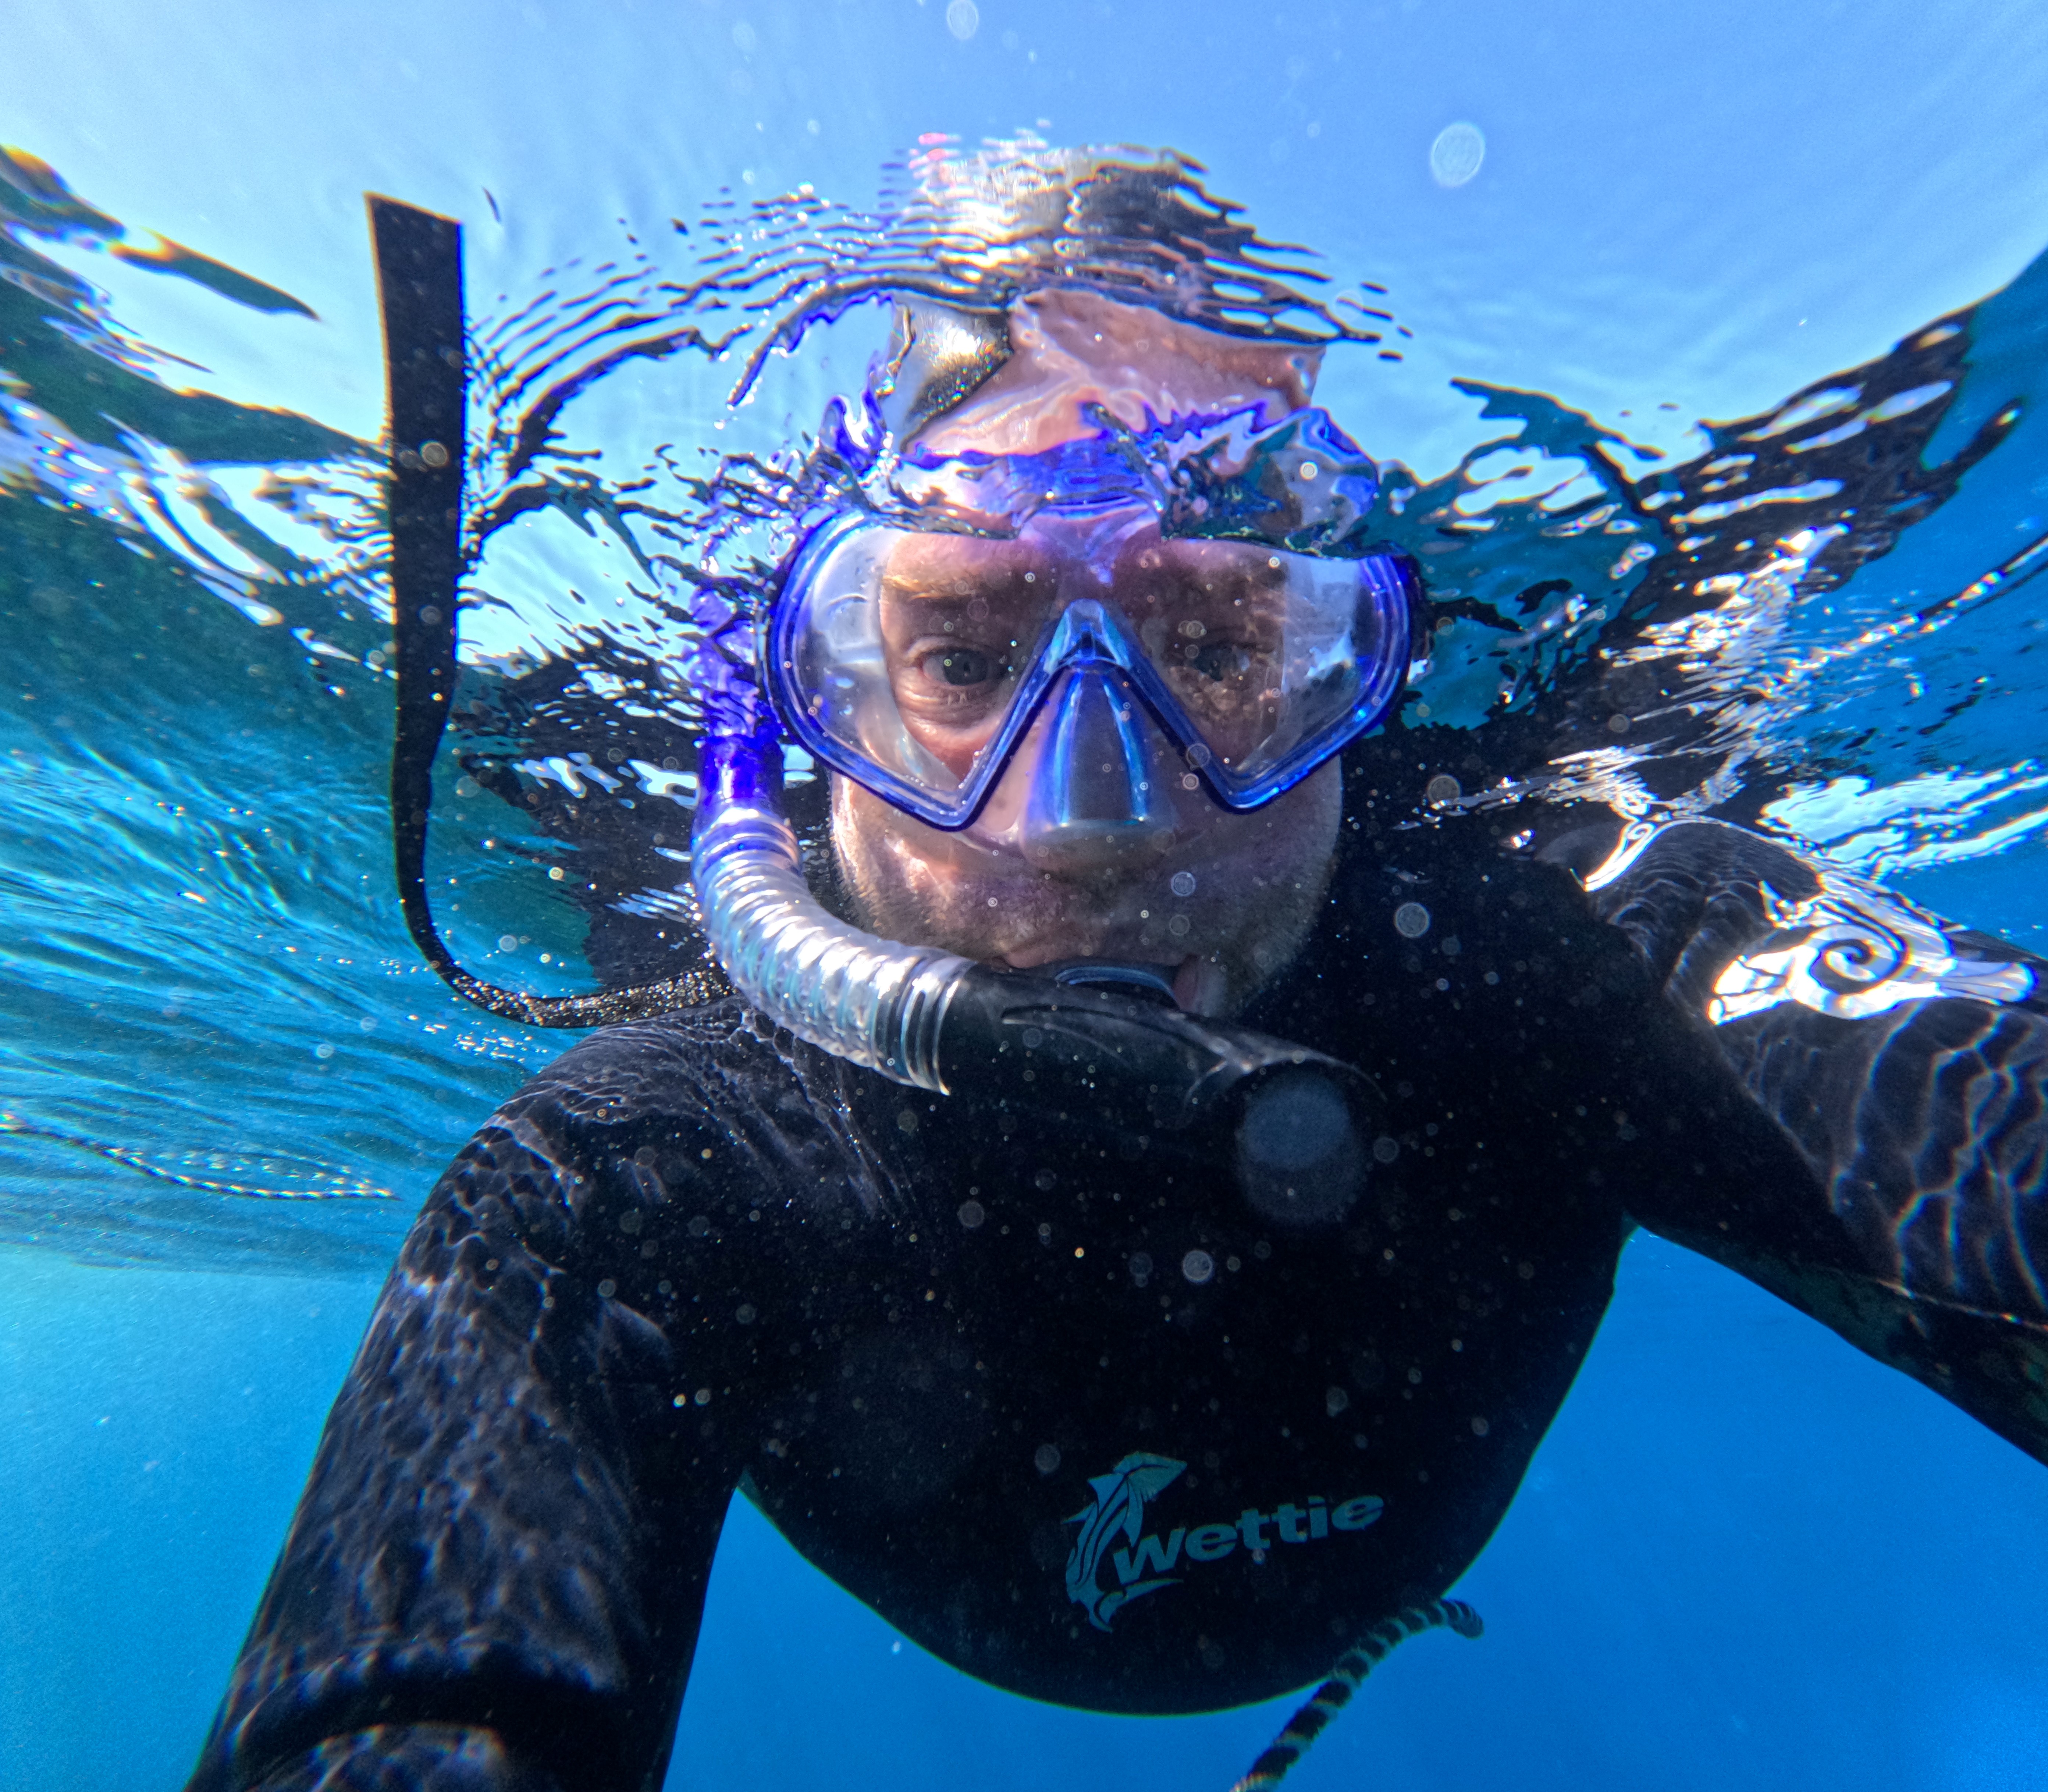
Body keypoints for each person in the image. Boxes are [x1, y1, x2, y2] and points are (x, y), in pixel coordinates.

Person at [188, 150, 2048, 1792]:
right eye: (964, 658)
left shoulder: (1547, 958)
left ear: (1357, 675)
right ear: (803, 702)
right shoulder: (639, 1176)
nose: (1090, 822)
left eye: (1223, 636)